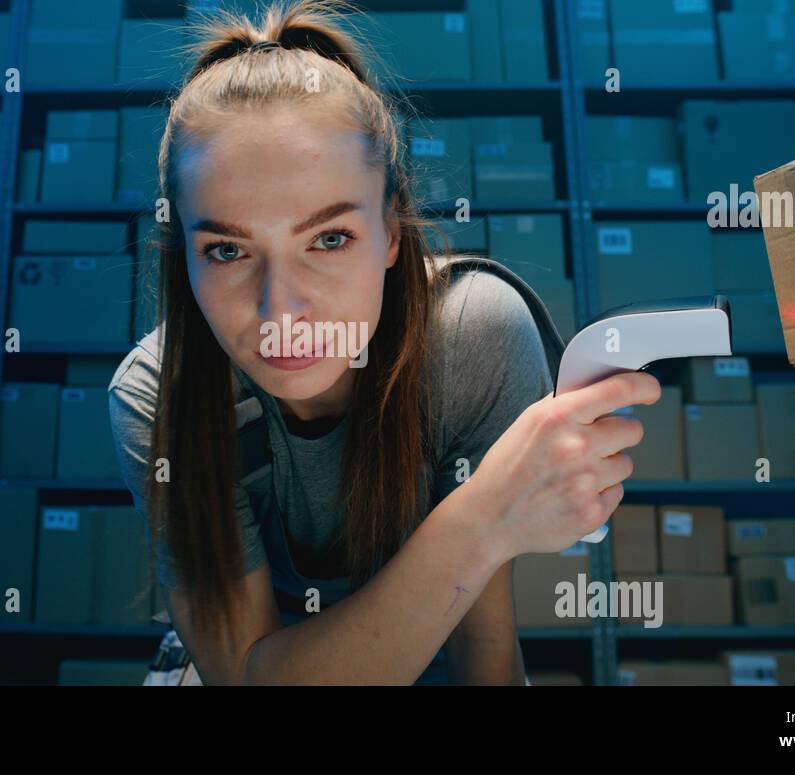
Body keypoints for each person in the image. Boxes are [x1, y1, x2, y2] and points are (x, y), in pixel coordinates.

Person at [107, 0, 660, 685]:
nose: (282, 309)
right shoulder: (159, 392)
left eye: (329, 239)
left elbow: (481, 648)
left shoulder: (469, 338)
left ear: (393, 231)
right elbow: (249, 676)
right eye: (227, 250)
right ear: (180, 255)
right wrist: (487, 512)